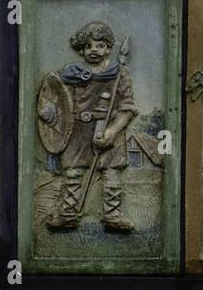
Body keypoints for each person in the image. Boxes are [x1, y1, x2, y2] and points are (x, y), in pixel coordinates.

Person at [37, 22, 136, 232]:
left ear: (108, 48)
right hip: (78, 131)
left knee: (111, 173)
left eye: (99, 45)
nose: (94, 50)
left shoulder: (119, 74)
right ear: (82, 49)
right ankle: (69, 214)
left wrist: (111, 131)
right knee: (72, 173)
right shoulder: (71, 74)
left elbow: (127, 108)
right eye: (89, 46)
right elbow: (59, 102)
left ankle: (113, 216)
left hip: (109, 130)